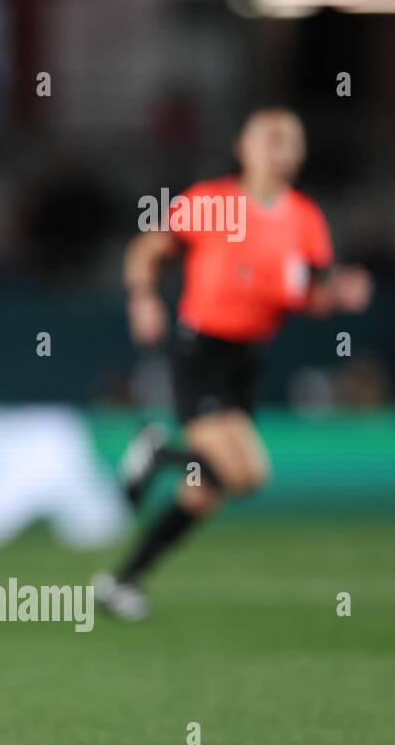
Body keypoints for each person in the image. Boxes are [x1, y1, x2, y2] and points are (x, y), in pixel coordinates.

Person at [96, 108, 372, 620]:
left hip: (248, 356)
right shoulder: (212, 201)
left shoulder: (305, 219)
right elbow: (147, 247)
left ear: (299, 153)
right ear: (243, 148)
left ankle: (120, 580)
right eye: (266, 138)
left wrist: (336, 297)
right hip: (202, 350)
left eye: (287, 139)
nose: (276, 148)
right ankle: (155, 454)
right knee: (244, 475)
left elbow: (307, 298)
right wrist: (143, 298)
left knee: (207, 489)